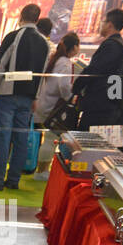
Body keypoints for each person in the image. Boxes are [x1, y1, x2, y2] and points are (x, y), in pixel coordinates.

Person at [0, 3, 48, 191]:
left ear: (20, 16)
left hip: (8, 93)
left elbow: (0, 64)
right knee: (20, 138)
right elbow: (42, 74)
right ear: (37, 19)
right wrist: (36, 97)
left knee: (3, 137)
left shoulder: (14, 37)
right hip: (28, 96)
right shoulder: (44, 43)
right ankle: (14, 179)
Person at [33, 32, 80, 180]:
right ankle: (41, 171)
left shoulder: (55, 58)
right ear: (73, 47)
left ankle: (40, 169)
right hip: (54, 107)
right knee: (50, 139)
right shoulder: (65, 62)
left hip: (44, 102)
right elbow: (64, 86)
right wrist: (70, 97)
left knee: (46, 138)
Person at [75, 8, 123, 130]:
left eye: (102, 21)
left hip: (100, 103)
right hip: (110, 101)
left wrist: (76, 87)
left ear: (109, 24)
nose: (100, 24)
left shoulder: (111, 45)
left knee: (87, 140)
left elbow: (94, 70)